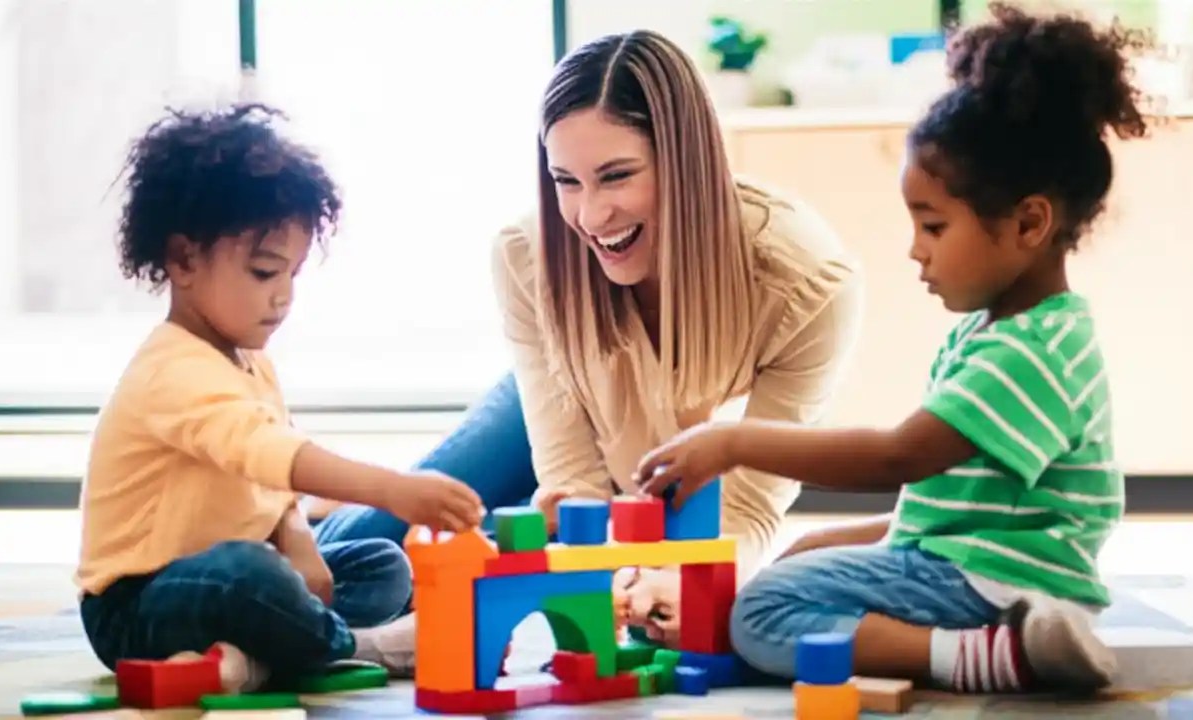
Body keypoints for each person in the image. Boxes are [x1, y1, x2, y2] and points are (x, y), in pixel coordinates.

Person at [633, 3, 1150, 694]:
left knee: (763, 611)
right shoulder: (1017, 331)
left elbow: (897, 456)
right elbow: (956, 507)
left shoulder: (1028, 353)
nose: (916, 251)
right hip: (982, 564)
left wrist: (733, 444)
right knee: (798, 558)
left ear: (1029, 222)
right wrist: (826, 543)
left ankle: (987, 657)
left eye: (933, 226)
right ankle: (1004, 642)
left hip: (991, 585)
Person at [314, 29, 864, 646]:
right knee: (382, 547)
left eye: (617, 176)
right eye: (566, 181)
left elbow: (752, 504)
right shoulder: (527, 258)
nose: (591, 216)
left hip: (668, 465)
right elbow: (570, 483)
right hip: (564, 404)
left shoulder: (807, 284)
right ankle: (272, 548)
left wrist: (677, 581)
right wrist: (600, 555)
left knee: (670, 571)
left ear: (686, 163)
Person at [76, 104, 485, 692]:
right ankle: (357, 646)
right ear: (184, 259)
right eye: (266, 273)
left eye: (293, 274)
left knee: (381, 566)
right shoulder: (170, 370)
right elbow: (273, 452)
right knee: (248, 578)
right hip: (139, 603)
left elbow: (271, 484)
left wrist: (296, 538)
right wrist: (394, 490)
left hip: (241, 571)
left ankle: (257, 658)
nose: (285, 297)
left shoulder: (251, 361)